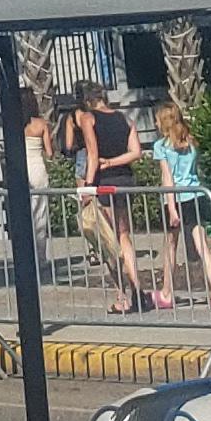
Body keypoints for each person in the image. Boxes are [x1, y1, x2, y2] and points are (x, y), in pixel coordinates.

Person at [68, 85, 146, 313]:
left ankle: (122, 295)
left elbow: (92, 154)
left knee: (107, 240)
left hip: (104, 183)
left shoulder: (88, 119)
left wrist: (88, 186)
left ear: (89, 102)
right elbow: (136, 152)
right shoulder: (125, 119)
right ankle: (137, 290)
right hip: (125, 180)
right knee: (124, 236)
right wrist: (114, 161)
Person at [150, 102, 211, 311]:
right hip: (196, 195)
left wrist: (171, 208)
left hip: (177, 198)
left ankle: (166, 293)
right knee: (201, 244)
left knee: (171, 246)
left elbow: (168, 178)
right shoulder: (190, 142)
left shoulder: (161, 146)